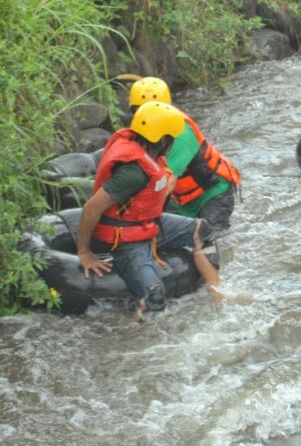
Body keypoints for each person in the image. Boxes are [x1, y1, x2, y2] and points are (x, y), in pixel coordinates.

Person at [77, 101, 222, 320]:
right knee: (154, 294)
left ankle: (217, 293)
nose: (173, 142)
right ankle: (135, 339)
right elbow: (91, 209)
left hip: (148, 224)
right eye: (171, 138)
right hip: (125, 241)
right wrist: (84, 252)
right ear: (161, 139)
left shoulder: (148, 154)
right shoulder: (133, 173)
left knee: (203, 230)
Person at [128, 77, 240, 231]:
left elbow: (168, 183)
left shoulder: (180, 134)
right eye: (139, 110)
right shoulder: (142, 129)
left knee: (208, 237)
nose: (146, 116)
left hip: (213, 191)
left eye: (152, 110)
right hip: (182, 197)